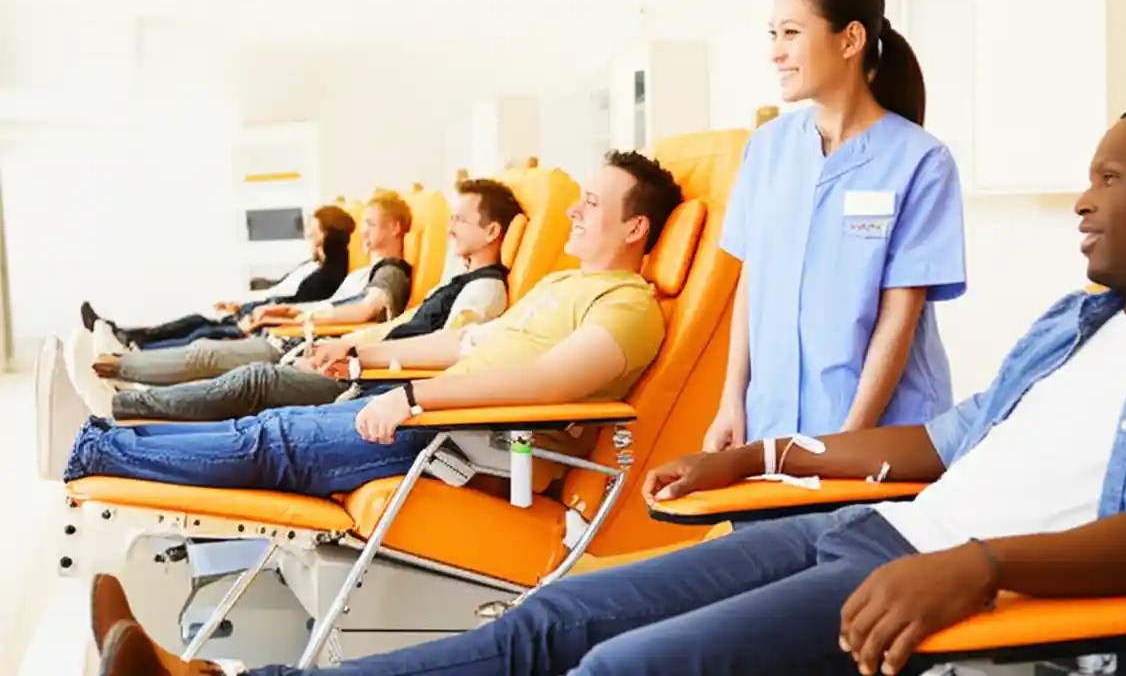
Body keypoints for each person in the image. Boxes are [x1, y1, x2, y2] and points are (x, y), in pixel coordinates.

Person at [90, 97, 1126, 676]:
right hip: (863, 530)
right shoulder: (1073, 325)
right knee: (547, 617)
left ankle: (102, 444)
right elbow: (945, 440)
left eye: (1108, 177)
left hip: (960, 593)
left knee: (616, 670)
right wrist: (761, 459)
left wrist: (983, 562)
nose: (1080, 200)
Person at [58, 150, 682, 501]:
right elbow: (467, 342)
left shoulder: (629, 307)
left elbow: (548, 384)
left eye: (593, 204)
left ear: (635, 229)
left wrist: (412, 396)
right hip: (437, 423)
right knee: (267, 425)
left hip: (471, 447)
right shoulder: (563, 284)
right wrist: (362, 362)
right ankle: (98, 434)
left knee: (272, 443)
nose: (574, 208)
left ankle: (93, 446)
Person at [706, 0, 967, 453]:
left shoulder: (921, 161)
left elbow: (899, 312)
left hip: (881, 433)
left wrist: (847, 443)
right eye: (772, 35)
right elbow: (751, 284)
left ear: (850, 40)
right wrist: (731, 403)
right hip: (769, 425)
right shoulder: (767, 149)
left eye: (790, 33)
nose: (775, 53)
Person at [73, 179, 522, 422]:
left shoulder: (482, 290)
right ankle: (126, 388)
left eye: (460, 221)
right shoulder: (459, 281)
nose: (448, 229)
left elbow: (445, 355)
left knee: (249, 380)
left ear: (492, 232)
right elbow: (392, 327)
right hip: (355, 360)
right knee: (219, 356)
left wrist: (352, 356)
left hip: (376, 382)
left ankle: (121, 400)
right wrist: (342, 348)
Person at [68, 191, 415, 405]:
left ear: (396, 229)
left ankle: (117, 377)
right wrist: (288, 311)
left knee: (211, 356)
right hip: (297, 338)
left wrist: (295, 317)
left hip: (305, 343)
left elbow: (368, 310)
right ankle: (120, 373)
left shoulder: (392, 271)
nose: (363, 231)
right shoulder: (361, 272)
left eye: (371, 224)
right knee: (203, 348)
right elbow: (330, 306)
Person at [79, 204, 357, 352]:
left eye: (314, 226)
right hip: (255, 314)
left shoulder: (328, 274)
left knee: (202, 333)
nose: (307, 229)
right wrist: (240, 304)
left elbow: (298, 307)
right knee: (195, 320)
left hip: (264, 326)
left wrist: (255, 317)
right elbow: (280, 290)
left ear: (326, 232)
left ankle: (132, 346)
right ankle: (127, 336)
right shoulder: (311, 264)